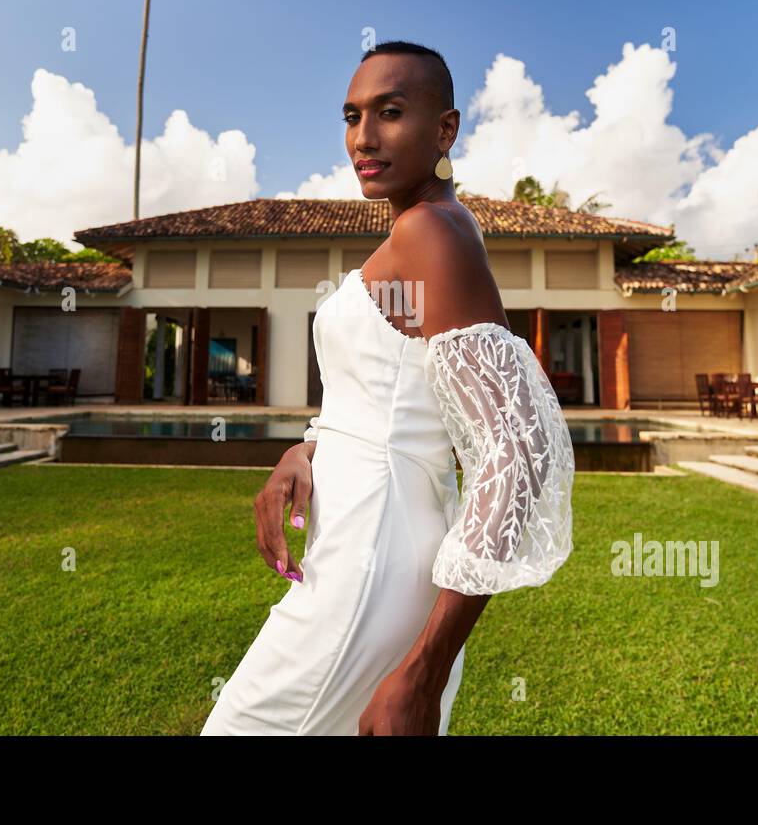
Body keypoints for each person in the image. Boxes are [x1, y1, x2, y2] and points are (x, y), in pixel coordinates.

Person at [200, 41, 575, 736]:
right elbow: (387, 386)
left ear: (445, 129)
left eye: (390, 112)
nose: (363, 138)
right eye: (351, 116)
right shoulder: (417, 231)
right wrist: (307, 449)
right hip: (354, 541)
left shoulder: (433, 233)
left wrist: (425, 670)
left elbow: (519, 452)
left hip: (372, 555)